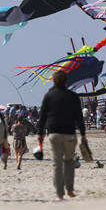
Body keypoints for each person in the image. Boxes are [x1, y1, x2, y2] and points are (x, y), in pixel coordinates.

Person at [36, 70, 88, 201]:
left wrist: (40, 133)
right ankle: (69, 189)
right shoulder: (73, 96)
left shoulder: (49, 96)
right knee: (69, 161)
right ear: (66, 82)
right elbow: (79, 117)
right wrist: (83, 134)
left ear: (54, 81)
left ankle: (60, 194)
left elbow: (42, 117)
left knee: (57, 163)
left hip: (54, 133)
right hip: (69, 133)